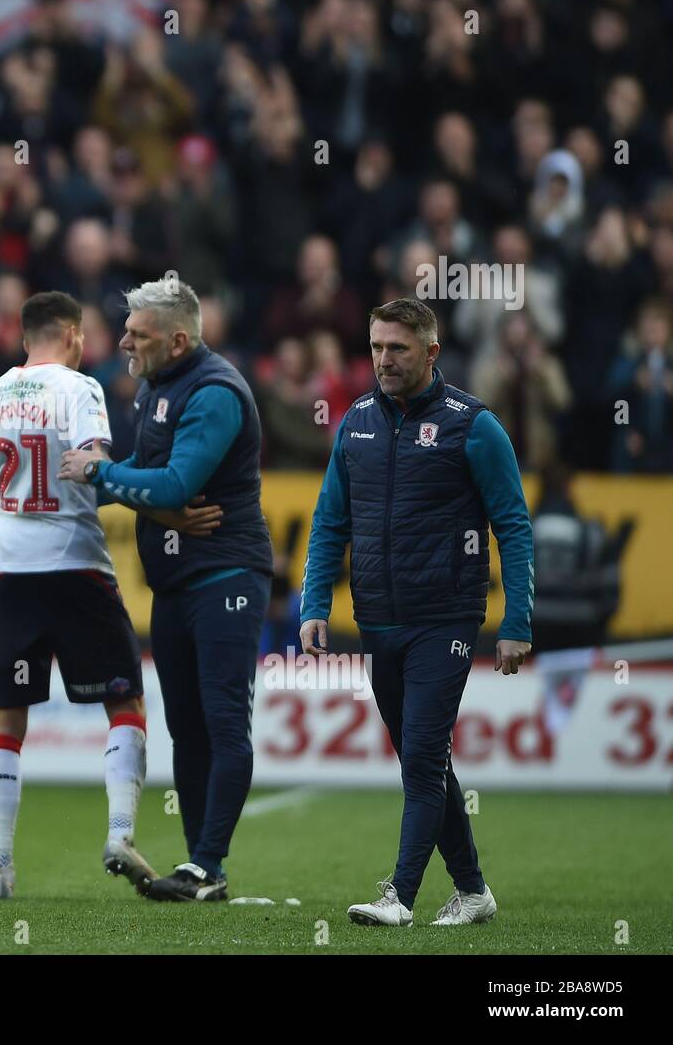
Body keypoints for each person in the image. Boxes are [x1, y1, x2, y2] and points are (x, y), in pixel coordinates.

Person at [0, 292, 210, 899]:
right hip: (76, 565)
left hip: (9, 572)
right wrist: (169, 512)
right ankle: (121, 832)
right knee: (124, 704)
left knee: (5, 720)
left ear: (25, 337)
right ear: (71, 333)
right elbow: (97, 466)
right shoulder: (80, 390)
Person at [299, 298, 534, 928]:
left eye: (398, 349)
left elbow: (512, 524)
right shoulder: (356, 423)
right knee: (425, 760)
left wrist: (516, 621)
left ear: (431, 352)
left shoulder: (473, 425)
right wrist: (314, 603)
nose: (384, 360)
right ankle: (473, 890)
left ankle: (398, 895)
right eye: (376, 347)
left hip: (447, 620)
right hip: (378, 620)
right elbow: (329, 522)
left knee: (424, 756)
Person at [61, 278, 274, 903]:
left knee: (222, 721)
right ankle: (200, 868)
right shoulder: (156, 384)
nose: (123, 339)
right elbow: (152, 486)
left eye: (138, 333)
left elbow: (173, 484)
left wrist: (112, 476)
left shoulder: (214, 392)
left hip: (225, 575)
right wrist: (152, 502)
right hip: (177, 582)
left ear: (179, 340)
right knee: (186, 725)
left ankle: (208, 864)